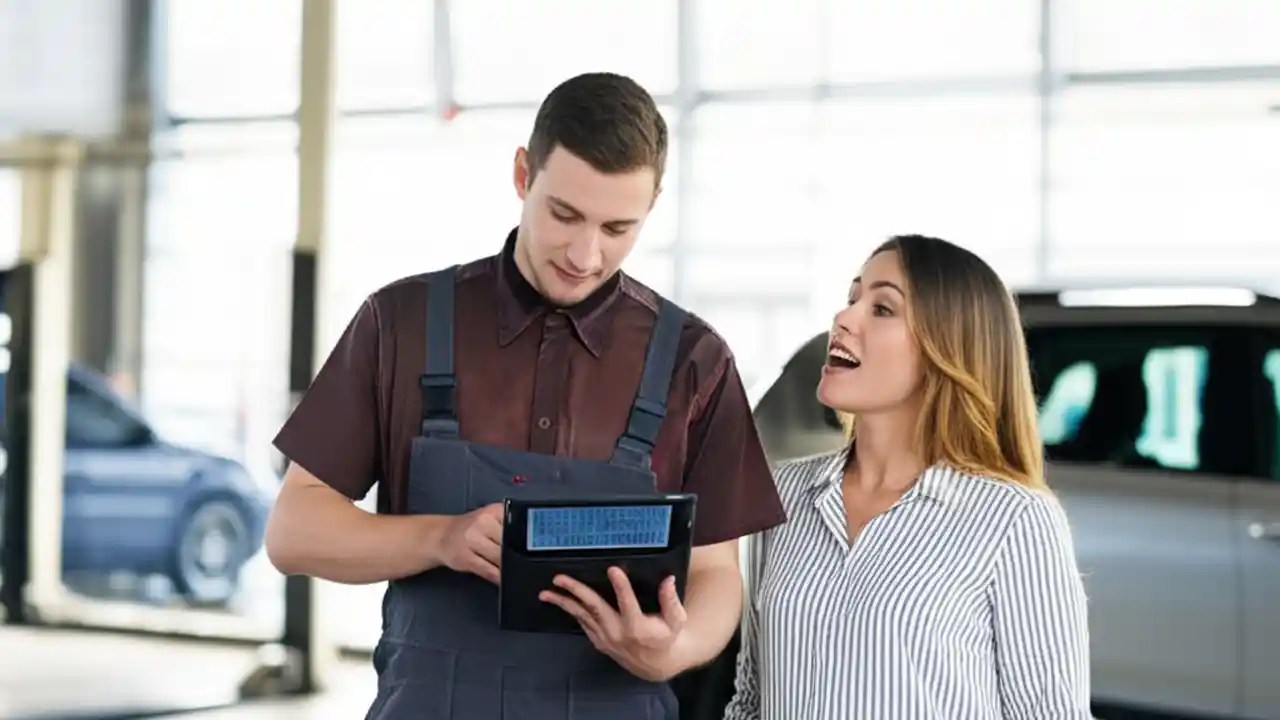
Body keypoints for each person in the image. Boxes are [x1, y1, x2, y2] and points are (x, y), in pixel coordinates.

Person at [264, 72, 786, 720]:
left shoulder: (695, 363)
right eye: (564, 215)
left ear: (652, 204)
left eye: (618, 227)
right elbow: (293, 530)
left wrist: (673, 649)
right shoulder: (400, 323)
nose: (585, 253)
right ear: (522, 175)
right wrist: (442, 539)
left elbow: (716, 575)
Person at [722, 235, 1092, 719]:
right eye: (853, 298)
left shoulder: (1015, 520)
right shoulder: (786, 495)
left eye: (882, 309)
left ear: (946, 347)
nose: (844, 318)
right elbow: (752, 699)